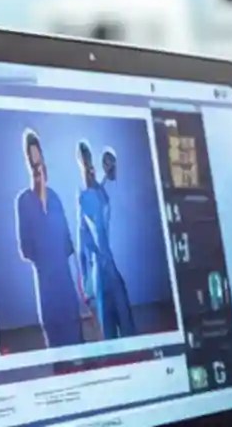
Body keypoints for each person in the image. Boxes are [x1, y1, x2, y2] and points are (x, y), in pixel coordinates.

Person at [15, 130, 88, 349]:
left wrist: (83, 289)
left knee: (79, 344)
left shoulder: (55, 197)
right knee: (58, 349)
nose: (38, 165)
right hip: (47, 289)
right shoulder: (24, 201)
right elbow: (25, 249)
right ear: (28, 162)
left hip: (66, 287)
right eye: (32, 160)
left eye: (40, 158)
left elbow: (68, 245)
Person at [78, 142, 136, 339]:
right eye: (105, 162)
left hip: (112, 268)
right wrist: (85, 284)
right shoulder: (86, 199)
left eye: (111, 161)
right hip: (100, 273)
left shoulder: (107, 192)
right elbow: (83, 244)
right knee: (109, 331)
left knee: (127, 325)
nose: (107, 165)